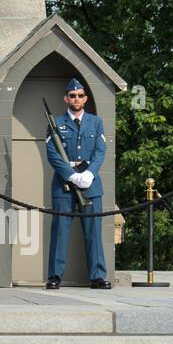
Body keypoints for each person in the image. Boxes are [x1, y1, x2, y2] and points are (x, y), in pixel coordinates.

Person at [45, 78, 110, 290]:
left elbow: (100, 151)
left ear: (86, 98)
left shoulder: (96, 121)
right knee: (60, 232)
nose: (76, 98)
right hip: (64, 185)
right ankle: (54, 276)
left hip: (90, 185)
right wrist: (72, 175)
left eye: (80, 95)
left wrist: (90, 174)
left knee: (93, 232)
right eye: (72, 95)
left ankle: (98, 276)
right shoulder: (57, 123)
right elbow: (53, 154)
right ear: (66, 98)